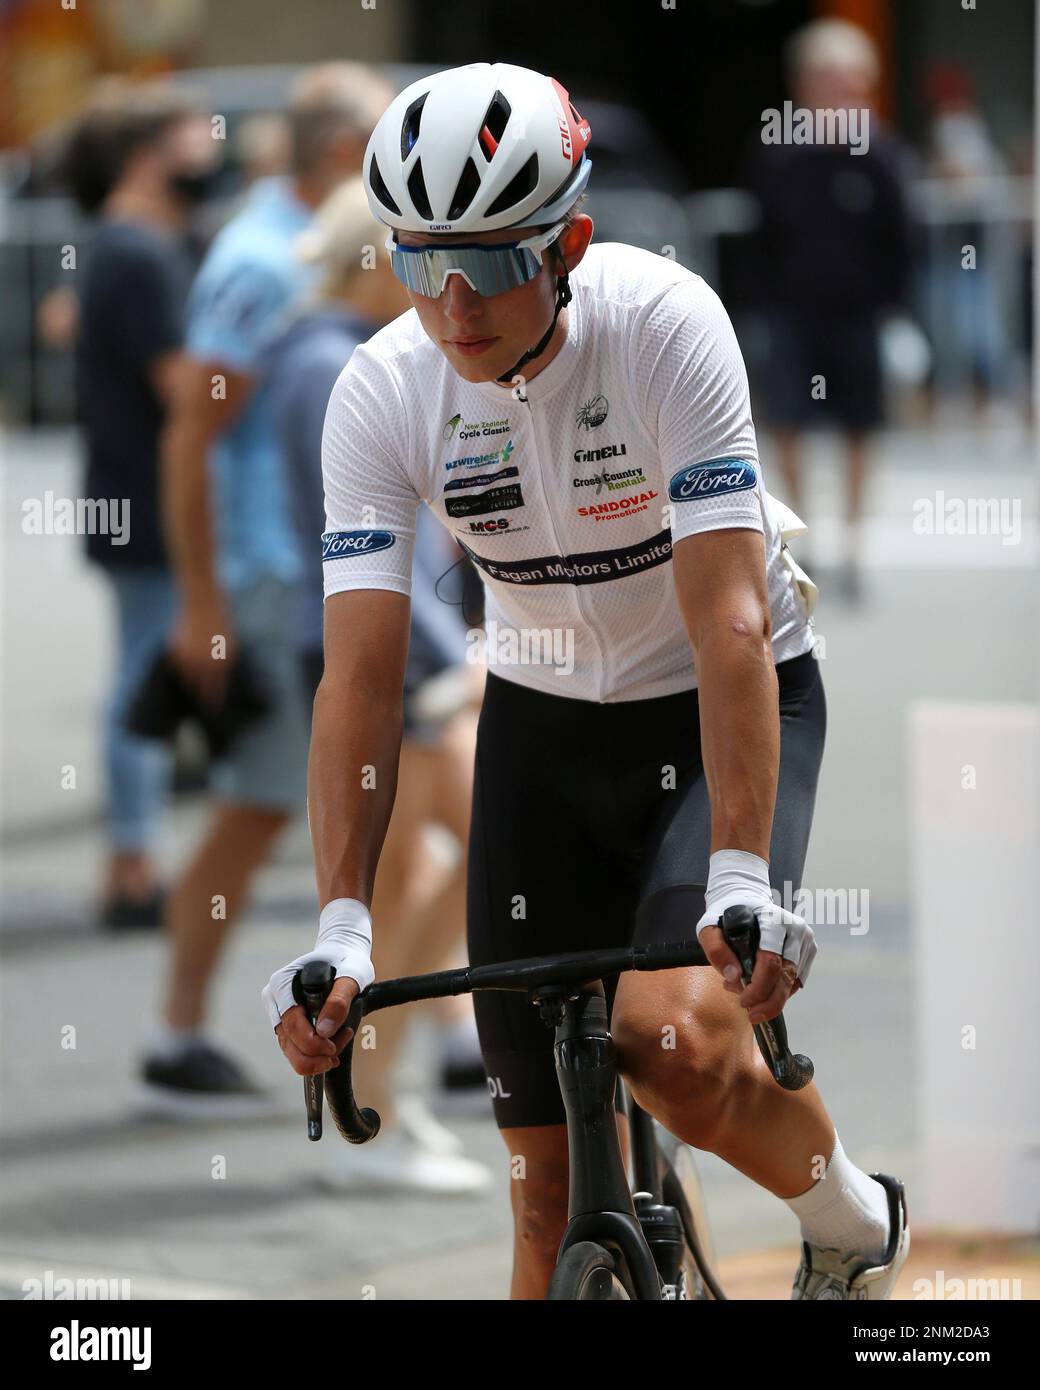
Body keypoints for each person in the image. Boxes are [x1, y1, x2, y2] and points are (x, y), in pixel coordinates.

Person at [263, 61, 910, 1300]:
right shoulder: (381, 391)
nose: (453, 305)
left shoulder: (663, 322)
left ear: (570, 241)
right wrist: (340, 923)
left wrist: (735, 874)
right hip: (541, 725)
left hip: (719, 698)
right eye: (418, 261)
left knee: (668, 1045)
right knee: (544, 1200)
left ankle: (850, 1214)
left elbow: (726, 611)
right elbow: (359, 675)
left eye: (493, 263)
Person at [140, 63, 392, 1115]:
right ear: (342, 151)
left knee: (379, 804)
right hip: (273, 575)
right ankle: (179, 1034)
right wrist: (204, 601)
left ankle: (447, 1037)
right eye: (385, 140)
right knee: (256, 806)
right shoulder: (260, 259)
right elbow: (192, 437)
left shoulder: (297, 242)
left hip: (303, 568)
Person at [263, 178, 490, 1190]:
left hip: (405, 667)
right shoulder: (336, 363)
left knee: (421, 880)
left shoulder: (328, 355)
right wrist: (452, 662)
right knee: (469, 861)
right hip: (396, 676)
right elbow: (364, 550)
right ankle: (379, 1098)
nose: (443, 289)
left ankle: (379, 1099)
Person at [64, 78, 220, 930]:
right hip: (145, 497)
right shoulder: (138, 252)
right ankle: (132, 864)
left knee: (146, 667)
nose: (209, 150)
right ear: (146, 153)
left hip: (128, 492)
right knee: (141, 673)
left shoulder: (132, 245)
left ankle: (136, 856)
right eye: (193, 135)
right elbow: (182, 388)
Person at [742, 19, 915, 601]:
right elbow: (759, 239)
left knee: (860, 429)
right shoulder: (777, 150)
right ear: (805, 84)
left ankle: (856, 544)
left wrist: (900, 317)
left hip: (860, 317)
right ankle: (801, 541)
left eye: (851, 82)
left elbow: (901, 243)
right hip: (791, 317)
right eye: (829, 80)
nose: (841, 92)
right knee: (787, 423)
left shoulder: (882, 154)